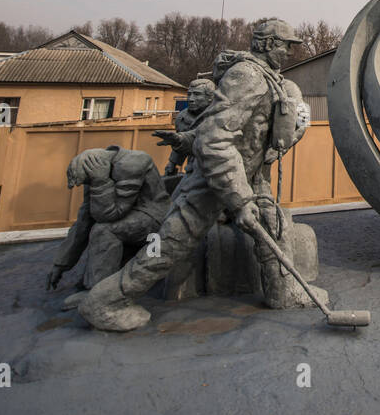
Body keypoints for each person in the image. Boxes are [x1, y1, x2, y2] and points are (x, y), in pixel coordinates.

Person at [78, 19, 315, 332]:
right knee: (169, 245)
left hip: (250, 176)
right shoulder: (247, 77)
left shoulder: (269, 78)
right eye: (286, 45)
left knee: (274, 227)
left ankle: (283, 292)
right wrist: (239, 198)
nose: (288, 52)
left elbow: (236, 132)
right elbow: (215, 139)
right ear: (269, 43)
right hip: (215, 182)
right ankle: (105, 301)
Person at [47, 146, 170, 306]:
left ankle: (99, 294)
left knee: (104, 230)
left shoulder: (133, 163)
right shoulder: (97, 169)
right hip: (129, 215)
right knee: (99, 227)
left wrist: (100, 182)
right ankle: (96, 285)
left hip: (153, 216)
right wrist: (62, 263)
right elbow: (85, 219)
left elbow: (110, 214)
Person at [164, 79, 217, 177]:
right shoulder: (183, 117)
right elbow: (182, 144)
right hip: (193, 168)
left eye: (197, 94)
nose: (191, 99)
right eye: (189, 94)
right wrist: (172, 164)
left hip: (217, 166)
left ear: (210, 97)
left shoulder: (219, 116)